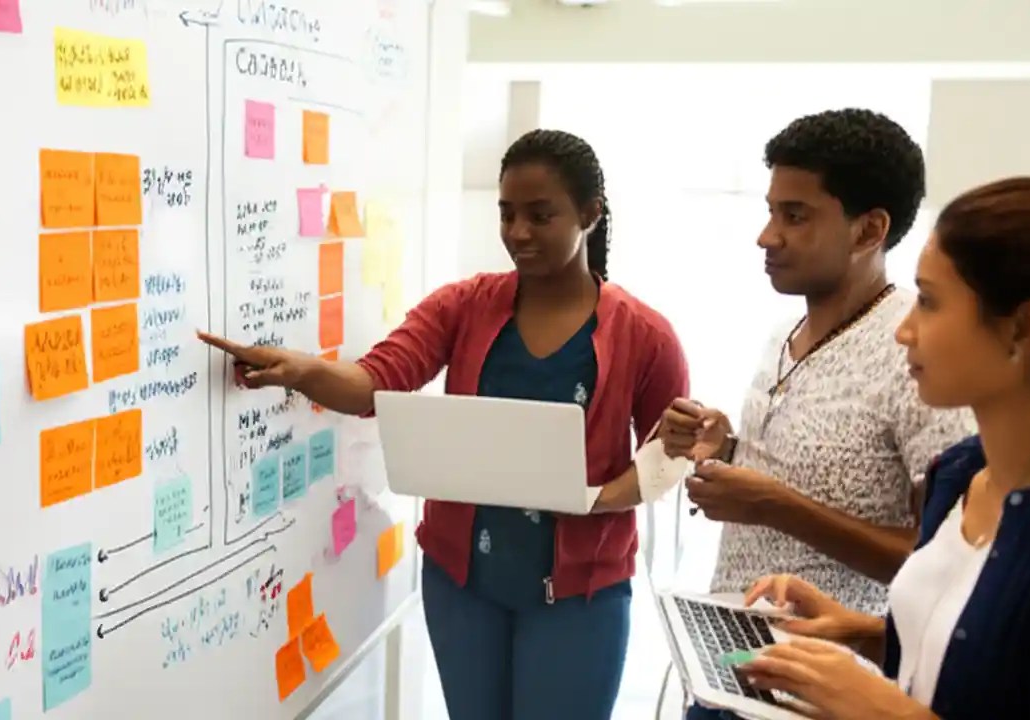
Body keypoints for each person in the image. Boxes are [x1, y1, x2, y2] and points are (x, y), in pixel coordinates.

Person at [198, 129, 689, 719]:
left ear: (590, 214)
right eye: (506, 214)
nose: (518, 233)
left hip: (581, 598)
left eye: (540, 215)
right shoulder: (465, 305)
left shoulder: (646, 335)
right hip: (463, 585)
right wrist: (300, 369)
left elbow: (671, 456)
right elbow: (377, 381)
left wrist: (599, 499)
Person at [737, 176, 1030, 718]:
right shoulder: (959, 473)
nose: (904, 331)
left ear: (1024, 327)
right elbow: (964, 658)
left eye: (928, 301)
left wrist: (883, 711)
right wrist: (857, 633)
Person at [657, 110, 973, 638]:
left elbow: (944, 566)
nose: (766, 236)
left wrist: (777, 508)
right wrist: (729, 449)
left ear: (869, 229)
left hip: (827, 682)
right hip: (733, 656)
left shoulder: (915, 357)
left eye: (795, 216)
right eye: (770, 212)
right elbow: (806, 473)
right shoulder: (783, 334)